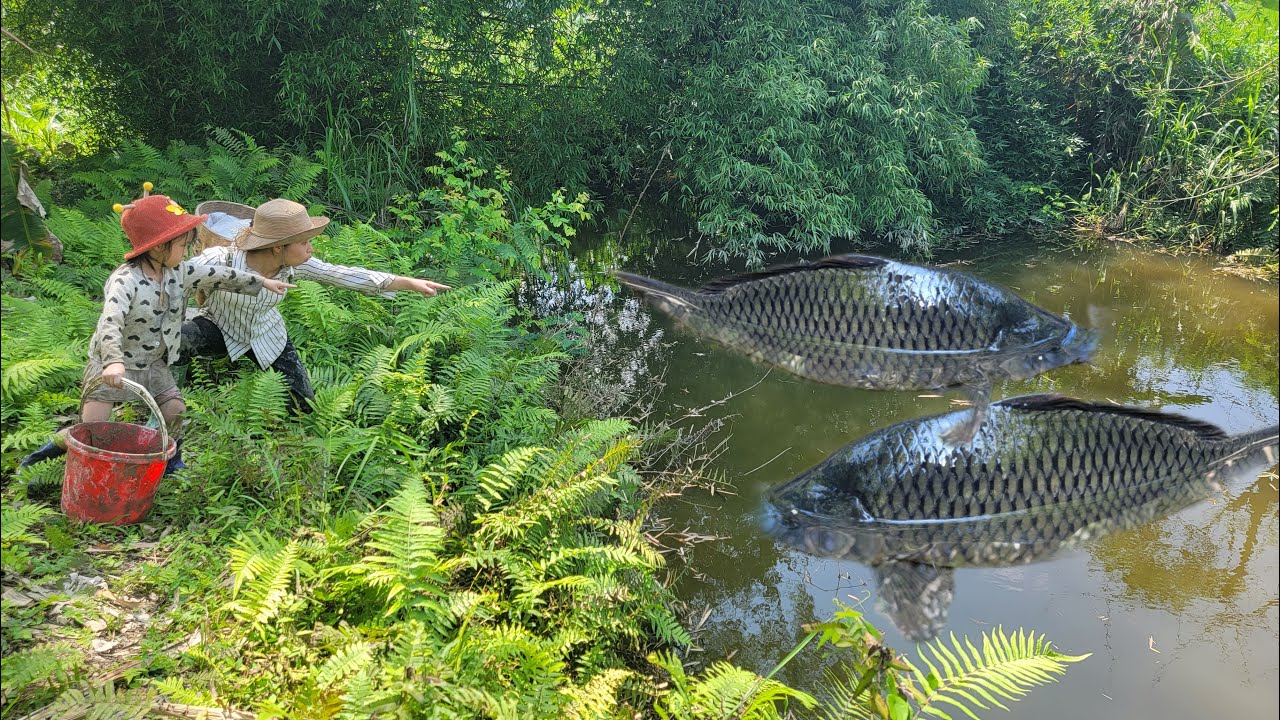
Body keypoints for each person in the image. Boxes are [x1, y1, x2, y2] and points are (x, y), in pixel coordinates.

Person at [20, 186, 294, 472]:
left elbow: (219, 275)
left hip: (153, 363)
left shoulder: (179, 271)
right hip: (114, 365)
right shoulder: (125, 281)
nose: (187, 251)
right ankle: (46, 453)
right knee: (92, 430)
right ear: (159, 246)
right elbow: (109, 322)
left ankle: (172, 462)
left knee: (175, 410)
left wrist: (261, 282)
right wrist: (112, 361)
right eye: (182, 245)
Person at [179, 198, 449, 412]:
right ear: (278, 247)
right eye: (304, 241)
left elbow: (343, 274)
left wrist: (408, 282)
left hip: (266, 335)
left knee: (303, 405)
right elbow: (177, 276)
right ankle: (181, 384)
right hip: (218, 324)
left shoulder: (295, 266)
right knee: (174, 342)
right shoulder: (221, 260)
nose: (311, 248)